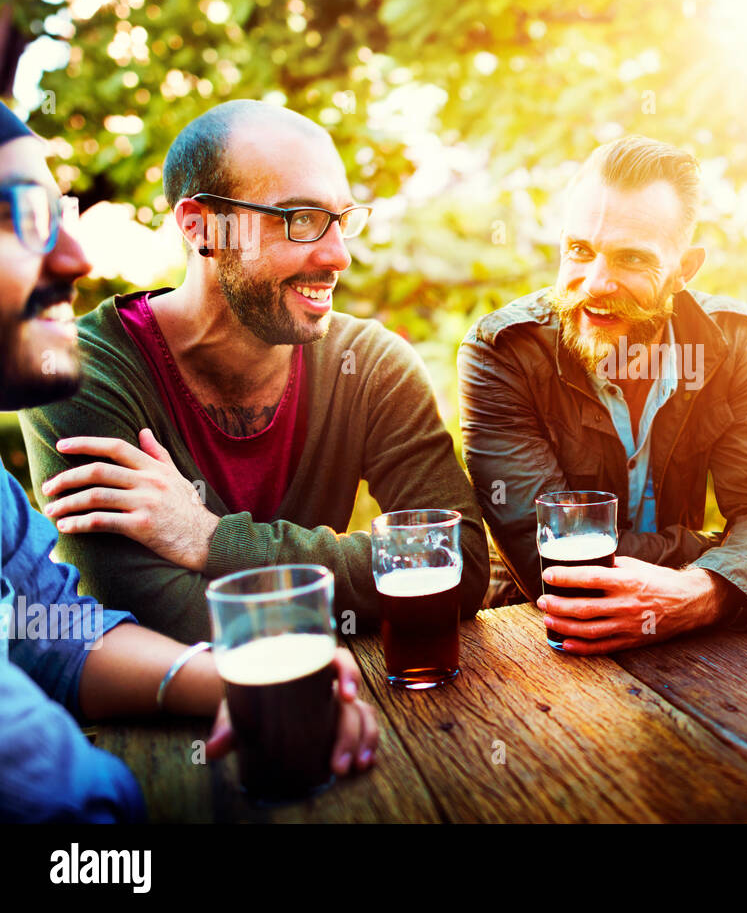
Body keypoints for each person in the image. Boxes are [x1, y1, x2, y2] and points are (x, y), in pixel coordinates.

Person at [0, 103, 376, 822]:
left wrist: (240, 678)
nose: (76, 258)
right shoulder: (98, 373)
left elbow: (50, 630)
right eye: (21, 216)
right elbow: (141, 607)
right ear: (199, 225)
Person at [19, 100, 488, 643]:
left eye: (341, 220)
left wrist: (214, 541)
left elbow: (457, 564)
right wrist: (357, 585)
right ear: (201, 227)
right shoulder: (80, 371)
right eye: (302, 220)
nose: (339, 256)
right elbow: (152, 623)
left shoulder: (370, 365)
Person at [458, 135, 747, 653]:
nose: (597, 283)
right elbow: (554, 558)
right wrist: (717, 552)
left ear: (684, 271)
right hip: (533, 633)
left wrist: (703, 591)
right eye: (579, 250)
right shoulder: (502, 352)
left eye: (631, 259)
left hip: (690, 639)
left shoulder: (728, 341)